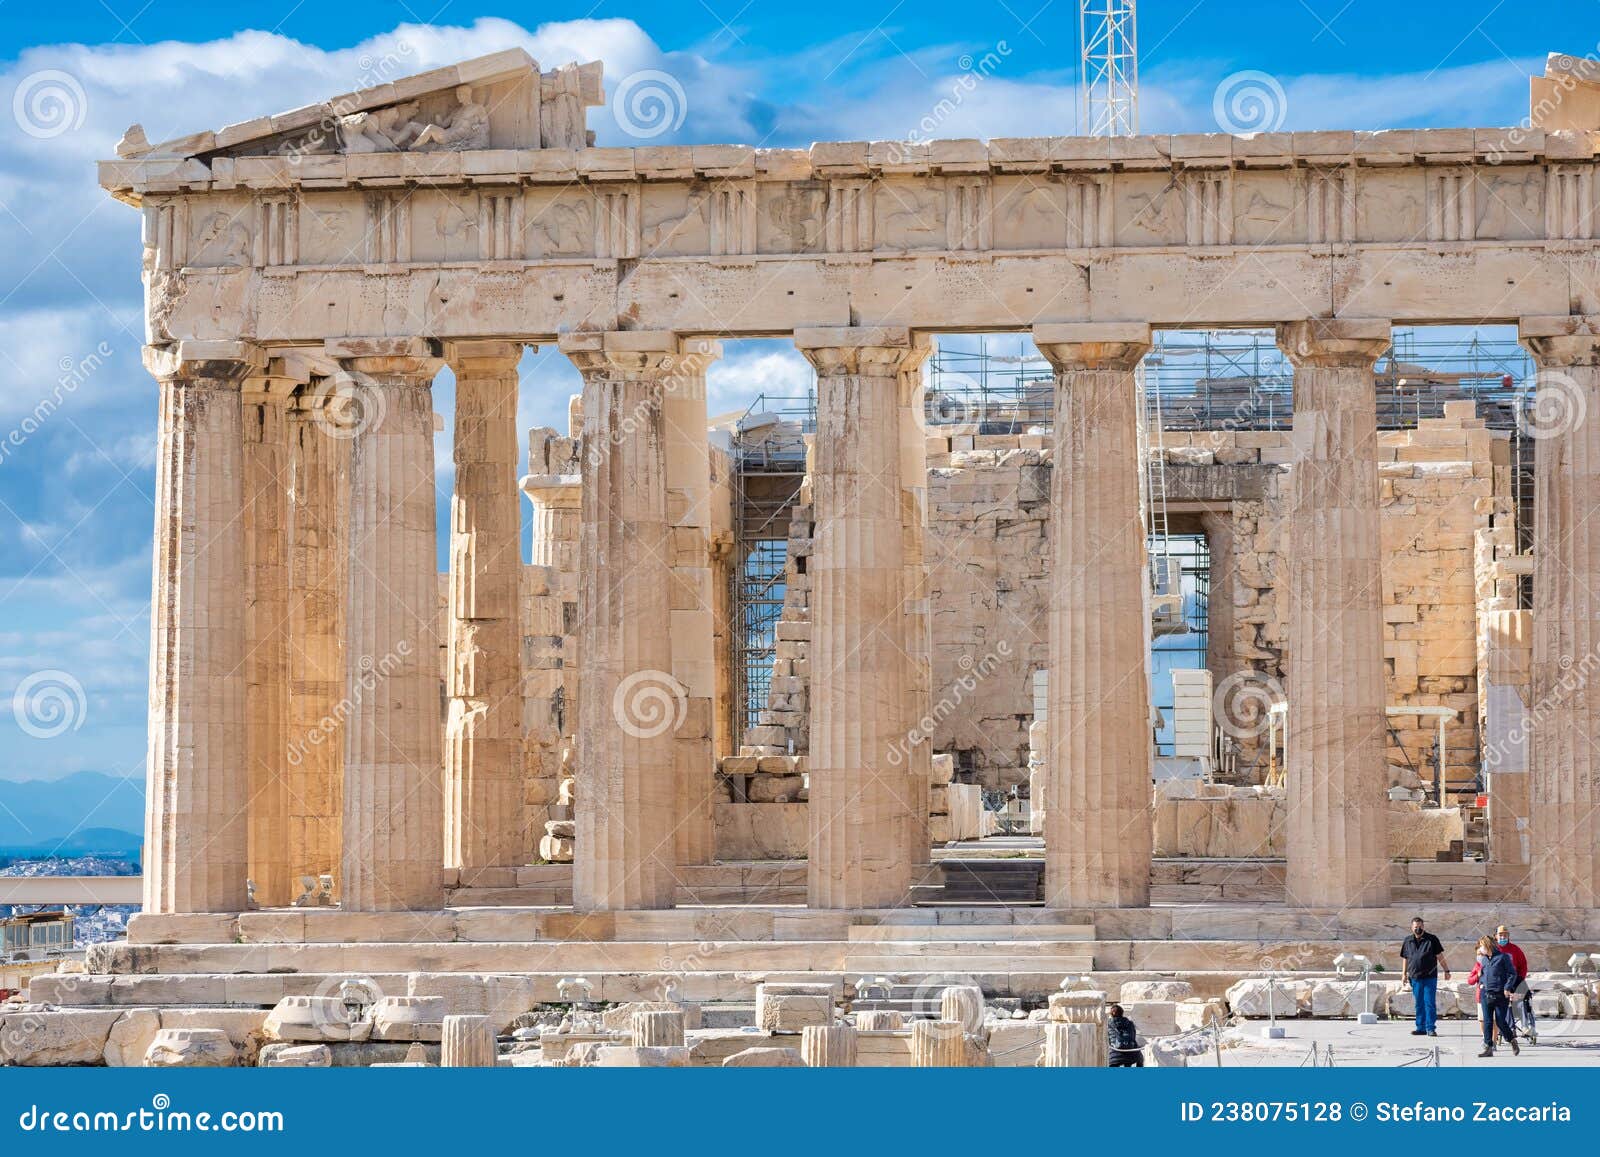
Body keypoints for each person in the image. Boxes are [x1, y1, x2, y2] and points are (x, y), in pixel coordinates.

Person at [1399, 915, 1451, 1037]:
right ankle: (1420, 1027)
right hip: (1415, 977)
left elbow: (1440, 956)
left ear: (1424, 927)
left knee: (1429, 1002)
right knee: (1419, 1003)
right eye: (1416, 927)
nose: (1419, 929)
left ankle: (1430, 1028)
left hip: (1429, 977)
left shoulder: (1432, 939)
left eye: (1421, 927)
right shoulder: (1407, 940)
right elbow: (1405, 958)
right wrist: (1403, 974)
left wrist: (1446, 970)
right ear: (1411, 928)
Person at [1473, 936, 1520, 1057]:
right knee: (1487, 1021)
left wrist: (1507, 987)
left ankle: (1512, 1040)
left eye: (1482, 946)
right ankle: (1488, 1047)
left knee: (1500, 1021)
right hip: (1486, 994)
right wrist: (1482, 984)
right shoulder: (1483, 960)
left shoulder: (1503, 957)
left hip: (1500, 995)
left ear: (1488, 945)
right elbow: (1482, 974)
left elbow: (1512, 974)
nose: (1480, 949)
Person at [1495, 924, 1536, 1043]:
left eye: (1505, 935)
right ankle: (1510, 1027)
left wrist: (1520, 978)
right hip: (1501, 982)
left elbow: (1523, 965)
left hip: (1516, 980)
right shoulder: (1494, 950)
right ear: (1496, 936)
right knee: (1505, 1001)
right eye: (1501, 935)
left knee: (1523, 1000)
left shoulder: (1515, 949)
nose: (1503, 937)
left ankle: (1525, 1026)